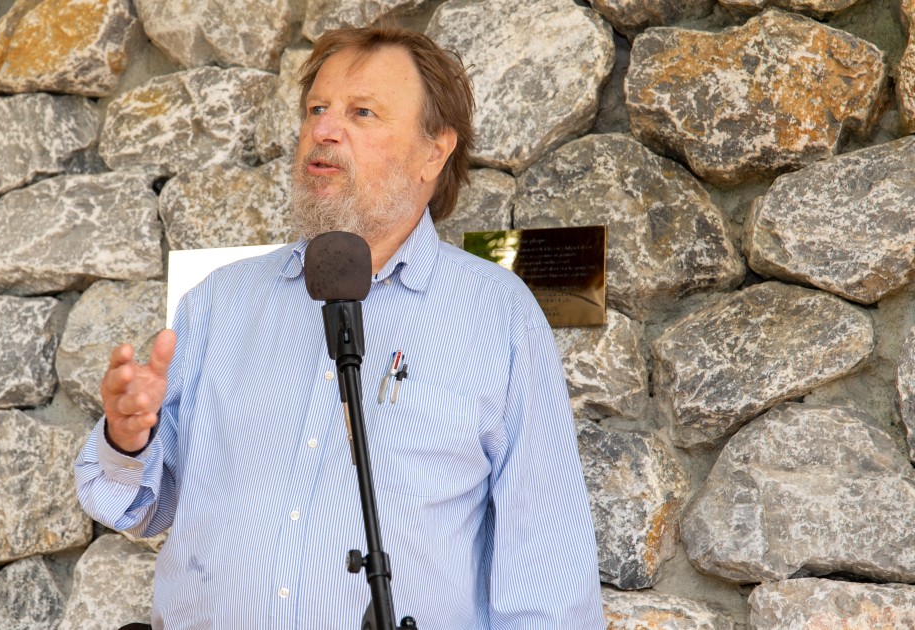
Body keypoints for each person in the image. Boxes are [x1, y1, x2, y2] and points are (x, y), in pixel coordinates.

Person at [75, 25, 604, 628]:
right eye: (316, 109)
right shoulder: (222, 303)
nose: (324, 130)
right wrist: (127, 438)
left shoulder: (499, 318)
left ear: (435, 149)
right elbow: (140, 507)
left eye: (362, 112)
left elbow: (548, 583)